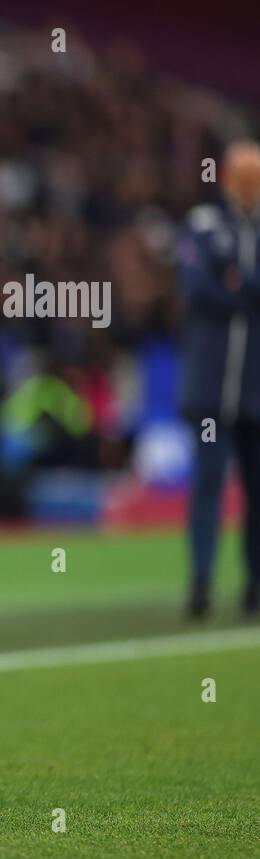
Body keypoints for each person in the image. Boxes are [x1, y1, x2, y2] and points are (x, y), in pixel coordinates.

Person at [177, 140, 260, 619]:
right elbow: (198, 290)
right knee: (207, 482)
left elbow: (222, 288)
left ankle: (253, 584)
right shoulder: (204, 225)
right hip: (210, 386)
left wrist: (235, 282)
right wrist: (246, 292)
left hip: (253, 389)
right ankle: (201, 581)